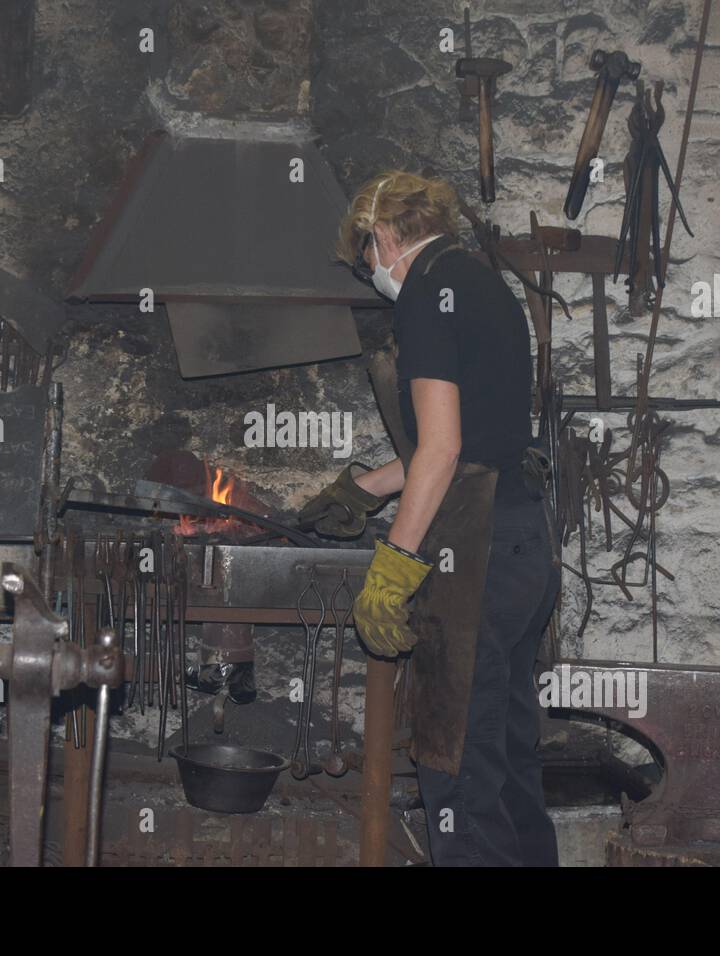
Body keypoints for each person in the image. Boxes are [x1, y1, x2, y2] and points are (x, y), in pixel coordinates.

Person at [300, 170, 560, 866]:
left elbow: (442, 449)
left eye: (368, 260)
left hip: (474, 557)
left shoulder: (423, 297)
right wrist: (368, 487)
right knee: (506, 760)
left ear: (385, 234)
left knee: (458, 766)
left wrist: (394, 564)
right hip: (523, 540)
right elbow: (473, 436)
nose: (372, 274)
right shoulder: (483, 283)